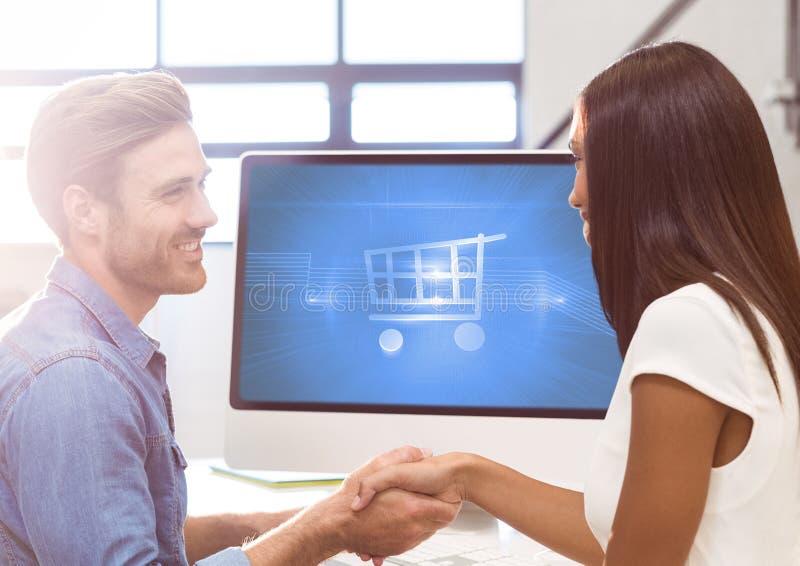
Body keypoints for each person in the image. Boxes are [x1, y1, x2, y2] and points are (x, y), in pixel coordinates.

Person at [351, 41, 800, 565]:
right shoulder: (751, 307)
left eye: (583, 158)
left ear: (646, 170)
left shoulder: (688, 321)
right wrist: (465, 474)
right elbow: (632, 535)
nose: (574, 193)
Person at [0, 71, 458, 565]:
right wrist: (330, 529)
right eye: (174, 192)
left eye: (200, 185)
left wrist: (305, 519)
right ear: (84, 211)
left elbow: (143, 536)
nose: (206, 215)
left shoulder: (63, 336)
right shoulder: (76, 379)